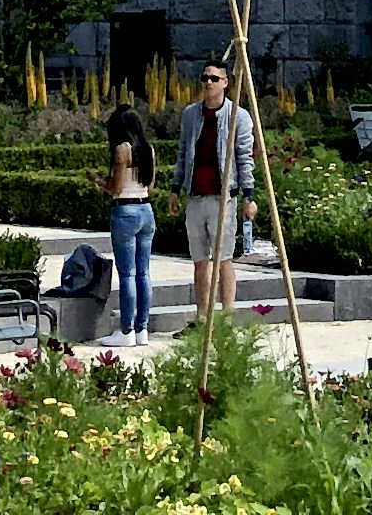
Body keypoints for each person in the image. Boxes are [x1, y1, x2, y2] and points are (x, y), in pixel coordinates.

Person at [169, 57, 258, 325]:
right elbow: (183, 153)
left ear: (225, 83)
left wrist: (249, 196)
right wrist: (175, 188)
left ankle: (227, 317)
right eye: (205, 78)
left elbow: (245, 157)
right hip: (196, 195)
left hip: (223, 198)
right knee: (200, 261)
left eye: (214, 79)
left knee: (224, 259)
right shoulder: (191, 114)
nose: (208, 83)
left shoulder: (238, 116)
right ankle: (202, 318)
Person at [103, 101, 158, 339]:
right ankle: (141, 327)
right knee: (143, 273)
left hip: (125, 210)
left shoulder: (122, 150)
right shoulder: (148, 149)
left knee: (127, 274)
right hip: (145, 208)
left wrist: (98, 181)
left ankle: (126, 329)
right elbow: (150, 186)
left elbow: (116, 188)